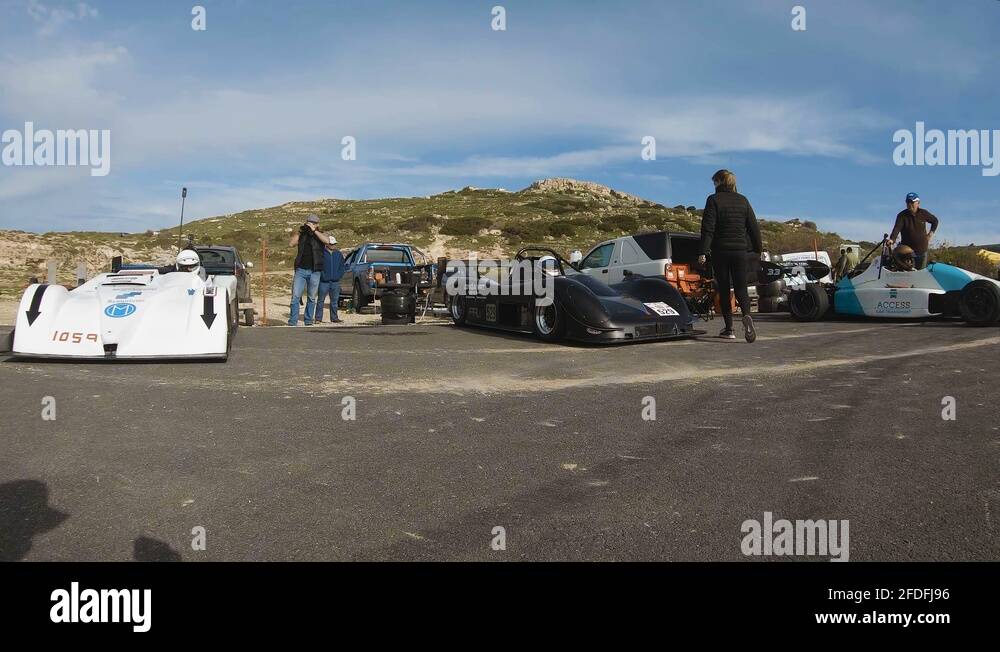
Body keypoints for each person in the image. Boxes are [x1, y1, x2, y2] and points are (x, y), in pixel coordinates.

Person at [697, 169, 763, 342]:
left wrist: (703, 252)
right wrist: (758, 249)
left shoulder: (713, 200)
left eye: (714, 182)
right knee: (741, 288)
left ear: (719, 182)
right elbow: (754, 227)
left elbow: (708, 228)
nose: (714, 185)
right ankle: (747, 315)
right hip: (741, 252)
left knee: (724, 289)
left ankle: (729, 329)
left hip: (721, 252)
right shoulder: (743, 200)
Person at [288, 214, 331, 326]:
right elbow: (291, 244)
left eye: (313, 223)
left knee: (311, 297)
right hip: (301, 270)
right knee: (295, 297)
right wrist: (300, 232)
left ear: (317, 224)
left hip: (315, 270)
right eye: (309, 222)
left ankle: (308, 320)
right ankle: (293, 321)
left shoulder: (320, 234)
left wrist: (314, 231)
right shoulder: (302, 234)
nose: (311, 224)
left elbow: (327, 241)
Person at [887, 193, 938, 270]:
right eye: (907, 202)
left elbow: (935, 221)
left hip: (922, 251)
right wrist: (892, 239)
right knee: (907, 274)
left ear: (918, 203)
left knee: (921, 275)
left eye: (912, 202)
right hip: (907, 253)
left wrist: (930, 234)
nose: (909, 204)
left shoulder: (923, 213)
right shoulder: (901, 216)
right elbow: (897, 228)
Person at [316, 239, 346, 323]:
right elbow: (318, 265)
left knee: (334, 302)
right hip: (324, 282)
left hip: (335, 282)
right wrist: (323, 275)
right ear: (327, 244)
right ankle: (318, 319)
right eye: (331, 244)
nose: (333, 245)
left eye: (334, 244)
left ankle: (334, 318)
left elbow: (342, 266)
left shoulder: (338, 254)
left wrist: (339, 275)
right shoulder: (321, 253)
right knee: (320, 301)